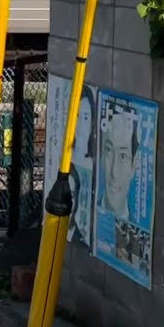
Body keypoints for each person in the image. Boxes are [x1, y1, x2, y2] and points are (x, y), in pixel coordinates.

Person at [67, 89, 96, 246]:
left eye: (85, 117)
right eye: (76, 116)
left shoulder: (91, 163)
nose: (79, 124)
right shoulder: (67, 159)